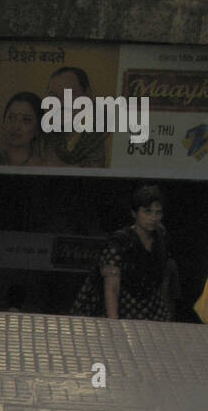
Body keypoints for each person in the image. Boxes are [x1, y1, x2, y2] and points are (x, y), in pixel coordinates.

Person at [72, 185, 172, 321]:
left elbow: (162, 279)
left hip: (150, 307)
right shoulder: (120, 241)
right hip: (121, 306)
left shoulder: (161, 237)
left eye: (158, 212)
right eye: (147, 212)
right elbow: (111, 287)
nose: (153, 218)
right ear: (135, 213)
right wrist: (114, 322)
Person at [41, 66, 109, 169]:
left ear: (87, 95)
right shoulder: (44, 139)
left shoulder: (108, 137)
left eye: (68, 94)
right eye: (53, 95)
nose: (59, 102)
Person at [0, 93, 44, 167]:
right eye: (11, 117)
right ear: (3, 123)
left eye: (26, 120)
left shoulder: (43, 166)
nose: (16, 126)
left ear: (38, 129)